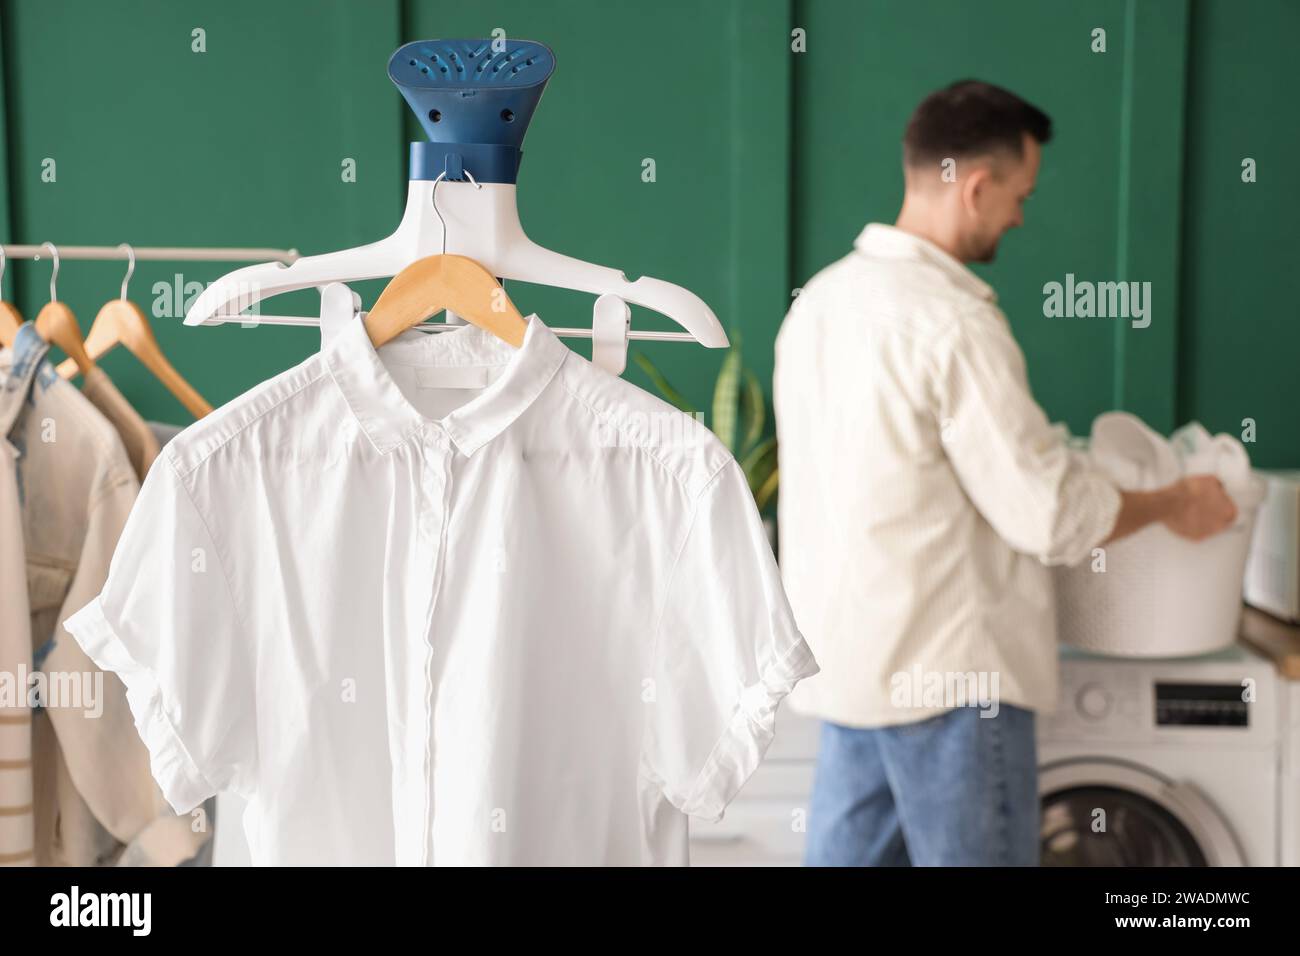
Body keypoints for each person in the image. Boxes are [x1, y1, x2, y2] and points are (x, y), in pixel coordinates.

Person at [773, 79, 1238, 867]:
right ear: (977, 186)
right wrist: (1175, 500)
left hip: (850, 671)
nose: (1020, 215)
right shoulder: (954, 322)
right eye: (1019, 195)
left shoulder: (819, 304)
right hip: (952, 687)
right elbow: (1051, 516)